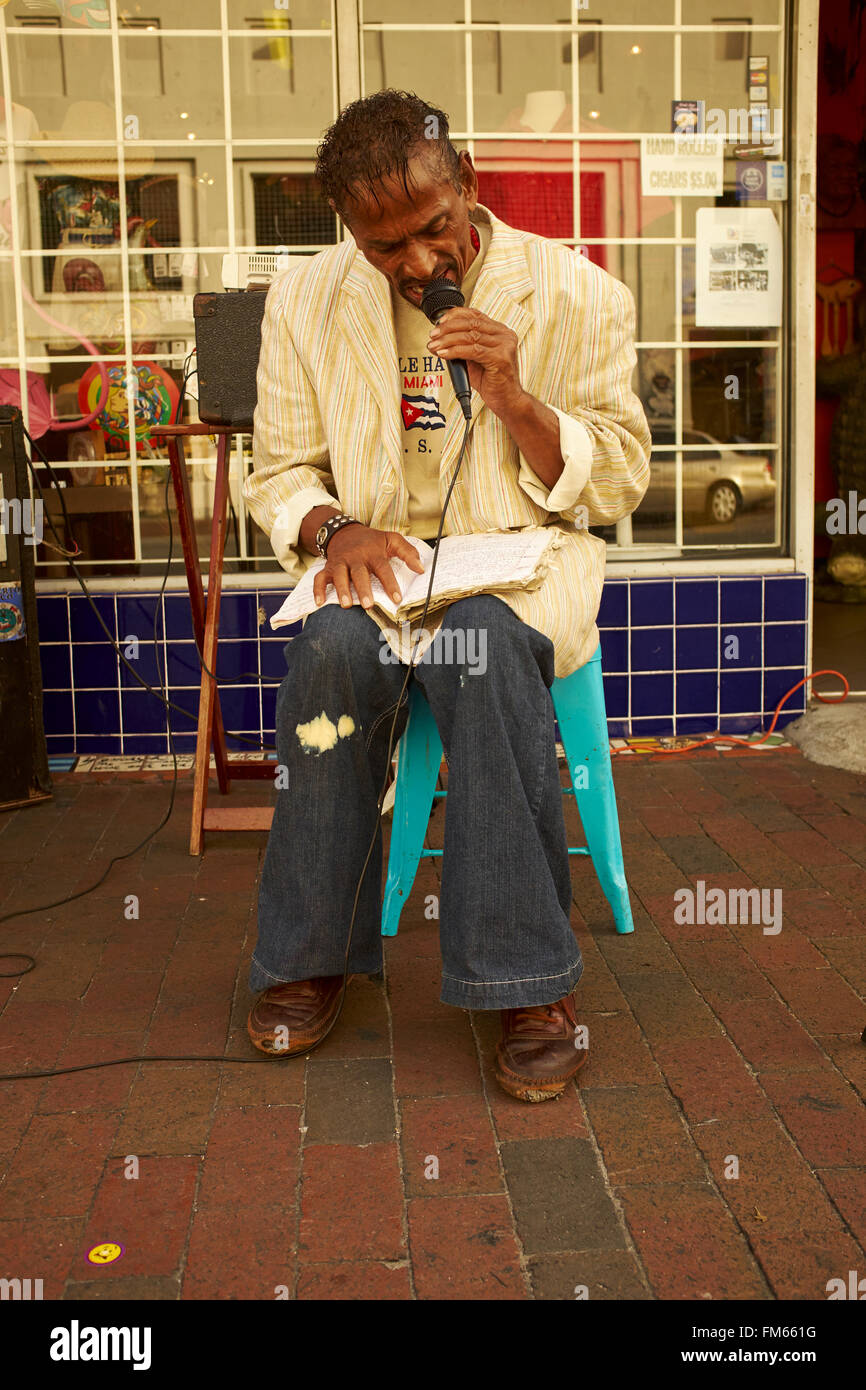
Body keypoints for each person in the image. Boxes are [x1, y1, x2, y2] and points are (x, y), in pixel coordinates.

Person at [242, 90, 651, 1103]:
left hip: (518, 561)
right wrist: (335, 531)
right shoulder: (303, 300)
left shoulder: (577, 293)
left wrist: (515, 400)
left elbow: (619, 481)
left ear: (462, 183)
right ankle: (306, 955)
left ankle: (525, 982)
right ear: (349, 232)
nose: (419, 262)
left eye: (433, 228)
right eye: (386, 249)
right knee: (332, 652)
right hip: (376, 564)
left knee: (480, 638)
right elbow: (277, 470)